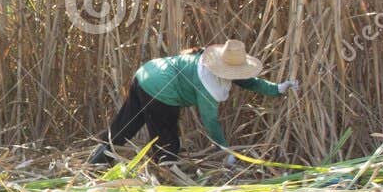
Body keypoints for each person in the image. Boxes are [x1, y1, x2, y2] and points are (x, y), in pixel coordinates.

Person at [89, 39, 297, 165]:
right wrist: (226, 151)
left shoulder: (219, 66)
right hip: (161, 88)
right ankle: (166, 181)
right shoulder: (207, 82)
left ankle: (97, 161)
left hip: (147, 72)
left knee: (127, 124)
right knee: (167, 141)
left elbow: (250, 82)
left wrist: (278, 88)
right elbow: (210, 120)